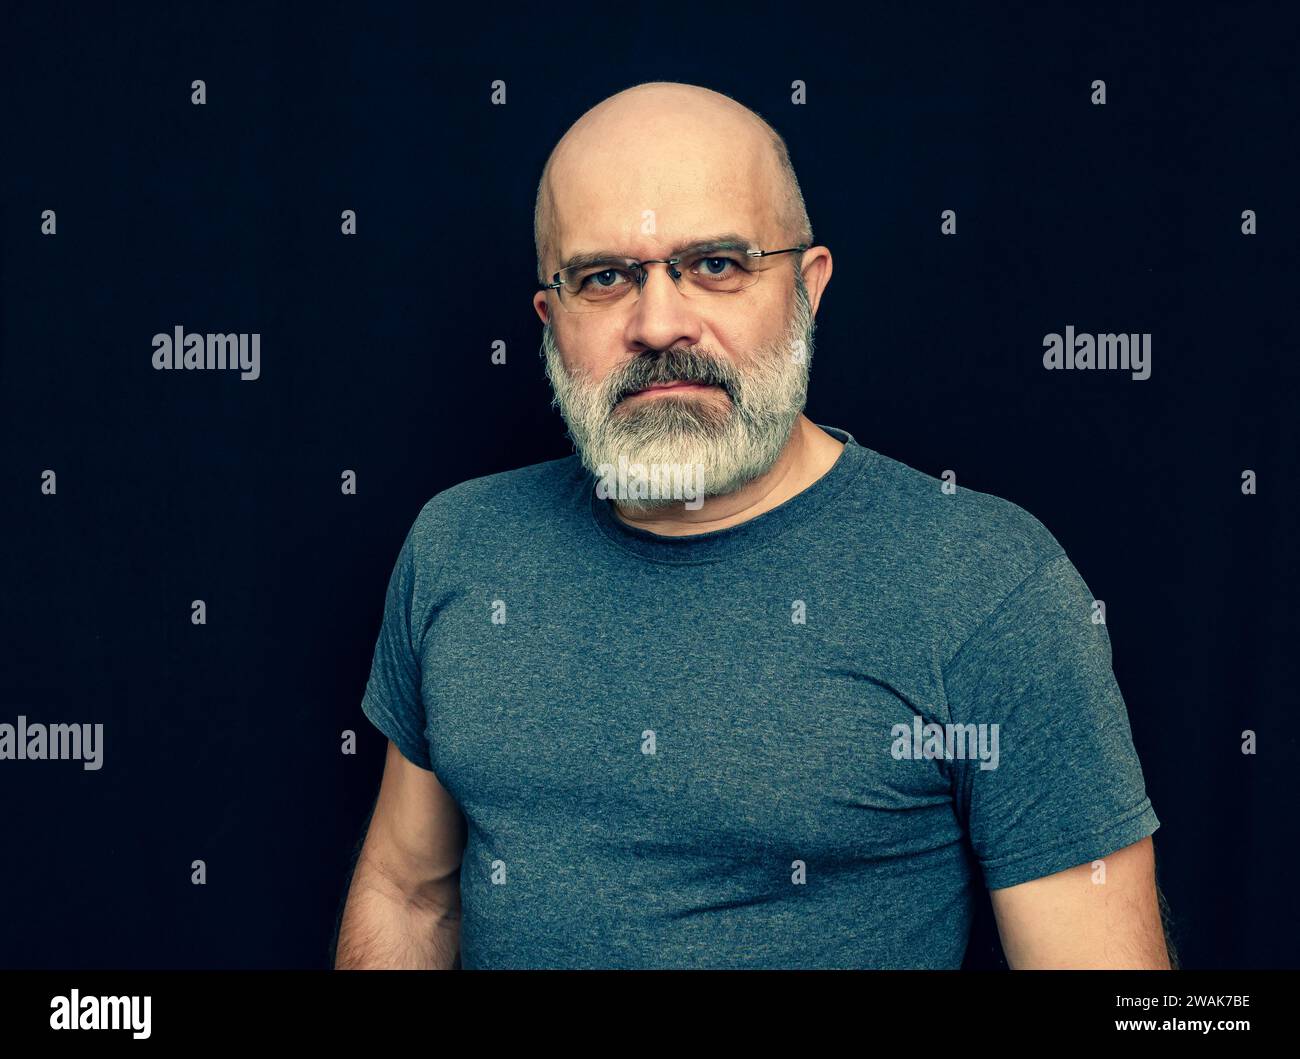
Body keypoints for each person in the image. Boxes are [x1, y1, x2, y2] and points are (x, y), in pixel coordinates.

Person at [335, 81, 1169, 970]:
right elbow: (408, 892)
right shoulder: (461, 545)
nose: (659, 324)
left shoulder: (986, 584)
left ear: (807, 288)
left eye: (718, 265)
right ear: (551, 319)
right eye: (605, 277)